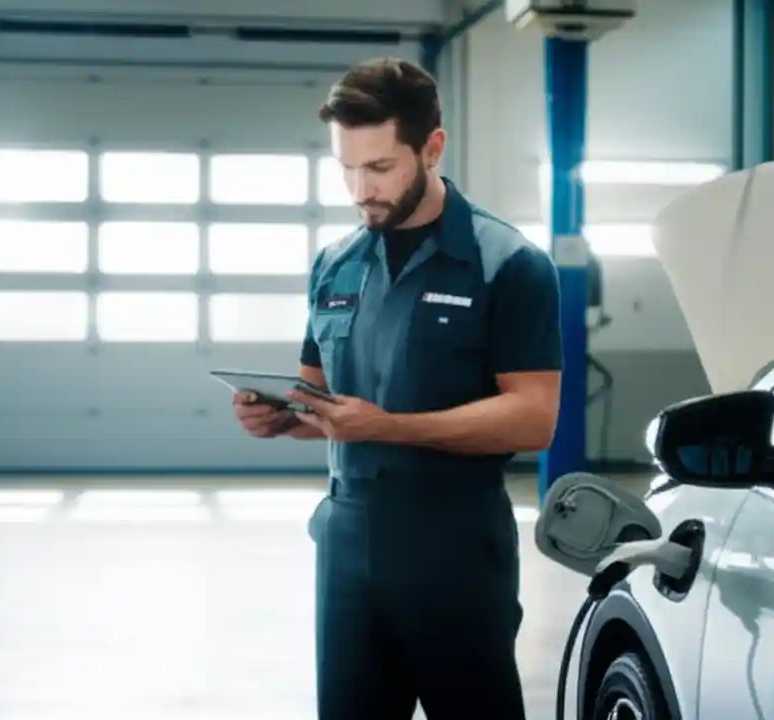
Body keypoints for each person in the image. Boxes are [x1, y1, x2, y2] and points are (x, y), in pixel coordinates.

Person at [231, 56, 562, 719]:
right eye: (347, 168)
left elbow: (534, 418)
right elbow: (318, 399)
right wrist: (281, 415)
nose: (360, 189)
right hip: (347, 542)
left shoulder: (508, 264)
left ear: (431, 147)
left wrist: (388, 426)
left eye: (379, 168)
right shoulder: (335, 264)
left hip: (456, 547)